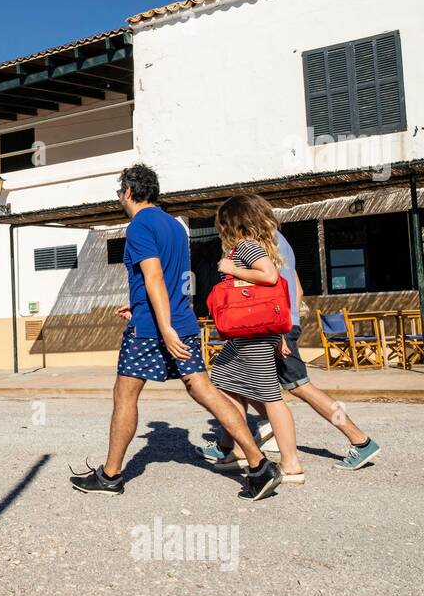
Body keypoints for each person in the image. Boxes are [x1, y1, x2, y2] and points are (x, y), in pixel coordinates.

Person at [69, 164, 281, 500]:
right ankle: (259, 466)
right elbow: (172, 278)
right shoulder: (174, 226)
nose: (119, 198)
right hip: (181, 321)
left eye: (119, 192)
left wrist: (162, 326)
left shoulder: (139, 225)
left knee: (124, 395)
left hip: (153, 329)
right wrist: (139, 306)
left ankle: (110, 476)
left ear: (127, 191)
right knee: (204, 390)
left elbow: (154, 277)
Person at [202, 226, 381, 470]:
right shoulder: (277, 239)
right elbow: (297, 286)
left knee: (301, 387)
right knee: (234, 380)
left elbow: (272, 280)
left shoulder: (254, 245)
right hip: (278, 323)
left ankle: (359, 440)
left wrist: (282, 329)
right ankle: (231, 445)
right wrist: (290, 317)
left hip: (273, 326)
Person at [201, 195, 304, 492]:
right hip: (252, 334)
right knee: (224, 380)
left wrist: (231, 268)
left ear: (233, 223)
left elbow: (270, 278)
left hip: (253, 336)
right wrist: (280, 333)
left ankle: (290, 462)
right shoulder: (257, 245)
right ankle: (233, 448)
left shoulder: (246, 246)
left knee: (270, 397)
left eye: (223, 223)